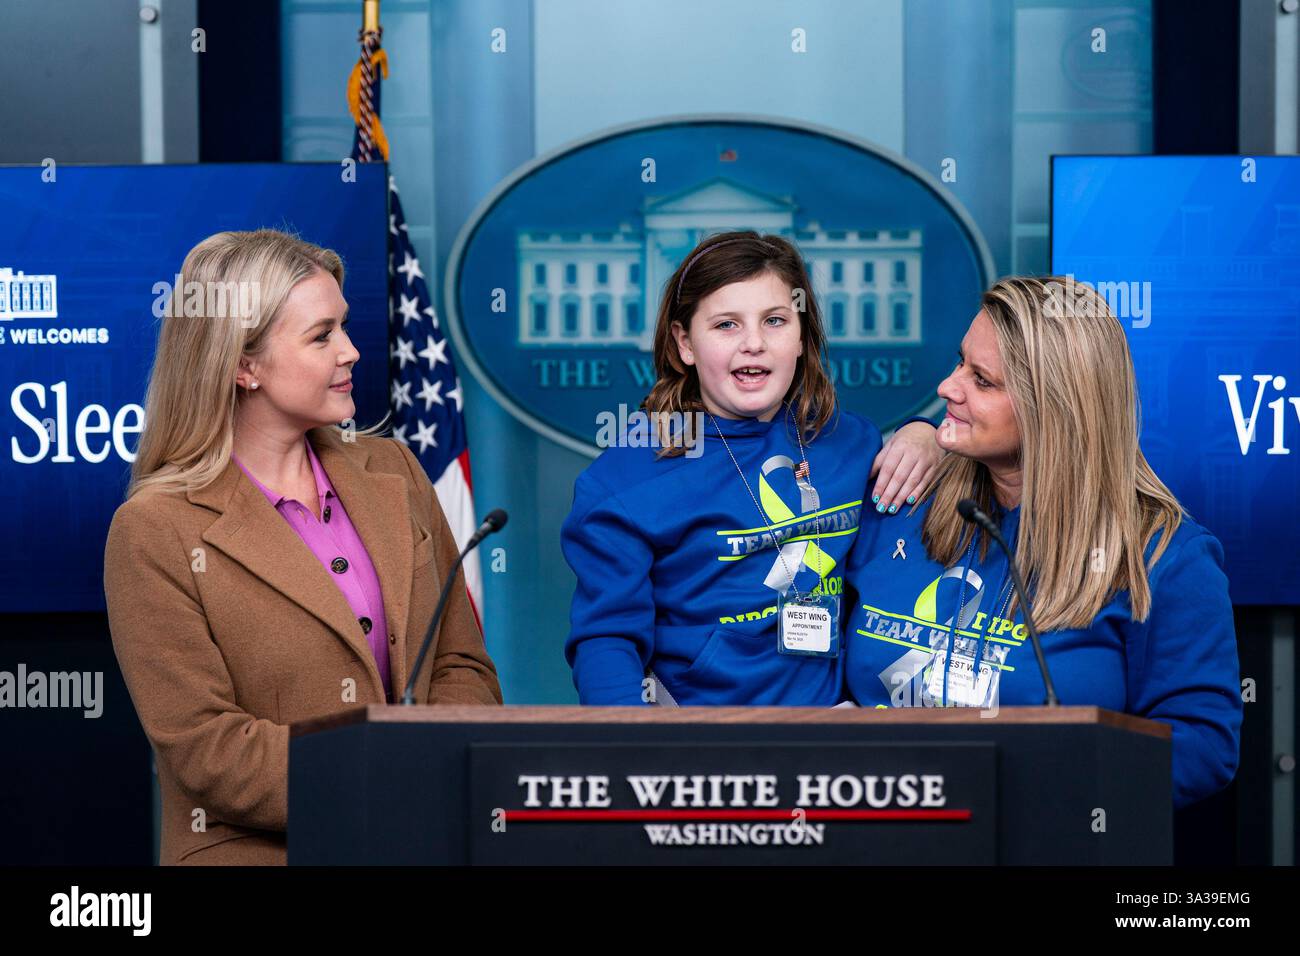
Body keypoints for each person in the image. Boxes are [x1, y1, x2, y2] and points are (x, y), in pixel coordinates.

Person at [103, 229, 501, 865]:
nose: (351, 352)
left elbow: (463, 667)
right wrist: (385, 777)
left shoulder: (395, 469)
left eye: (344, 327)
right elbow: (209, 749)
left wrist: (426, 779)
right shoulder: (154, 529)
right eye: (322, 336)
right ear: (243, 364)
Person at [842, 276, 1241, 809]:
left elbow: (1203, 747)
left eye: (981, 380)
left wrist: (1037, 784)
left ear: (1054, 408)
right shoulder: (903, 500)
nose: (947, 387)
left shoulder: (1165, 557)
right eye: (959, 362)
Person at [561, 231, 943, 706]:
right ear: (685, 343)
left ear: (802, 337)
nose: (754, 344)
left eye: (775, 321)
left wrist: (924, 433)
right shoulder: (623, 480)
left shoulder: (853, 443)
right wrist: (634, 749)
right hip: (697, 743)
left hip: (829, 740)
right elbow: (606, 641)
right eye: (726, 325)